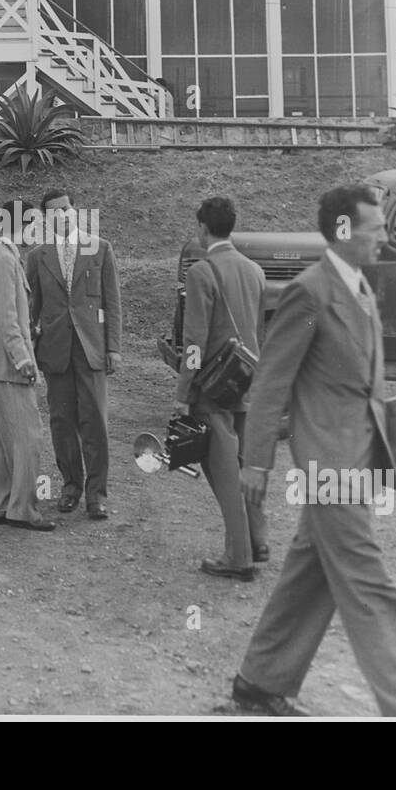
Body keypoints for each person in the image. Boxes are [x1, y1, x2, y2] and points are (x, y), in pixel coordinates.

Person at [232, 184, 396, 718]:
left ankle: (260, 682)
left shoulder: (359, 288)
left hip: (358, 455)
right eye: (376, 228)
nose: (384, 238)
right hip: (330, 467)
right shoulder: (310, 292)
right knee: (366, 579)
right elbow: (270, 384)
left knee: (311, 573)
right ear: (346, 230)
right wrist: (255, 460)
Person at [172, 196, 267, 580]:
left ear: (203, 228)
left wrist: (183, 392)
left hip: (212, 388)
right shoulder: (254, 270)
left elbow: (193, 343)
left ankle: (238, 557)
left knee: (224, 472)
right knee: (244, 467)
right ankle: (258, 540)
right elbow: (257, 331)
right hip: (246, 380)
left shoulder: (201, 273)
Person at [25, 189, 122, 520]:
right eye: (54, 212)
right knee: (62, 422)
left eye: (66, 209)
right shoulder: (37, 257)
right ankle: (71, 487)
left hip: (91, 348)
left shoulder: (101, 248)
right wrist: (29, 347)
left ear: (75, 211)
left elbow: (112, 302)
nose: (62, 216)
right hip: (55, 351)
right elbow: (30, 309)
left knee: (95, 421)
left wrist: (113, 348)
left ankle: (97, 494)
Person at [0, 199, 54, 532]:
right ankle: (23, 509)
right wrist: (24, 360)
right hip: (9, 367)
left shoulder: (1, 256)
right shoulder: (6, 260)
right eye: (33, 224)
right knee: (28, 438)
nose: (36, 231)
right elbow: (7, 319)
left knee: (2, 439)